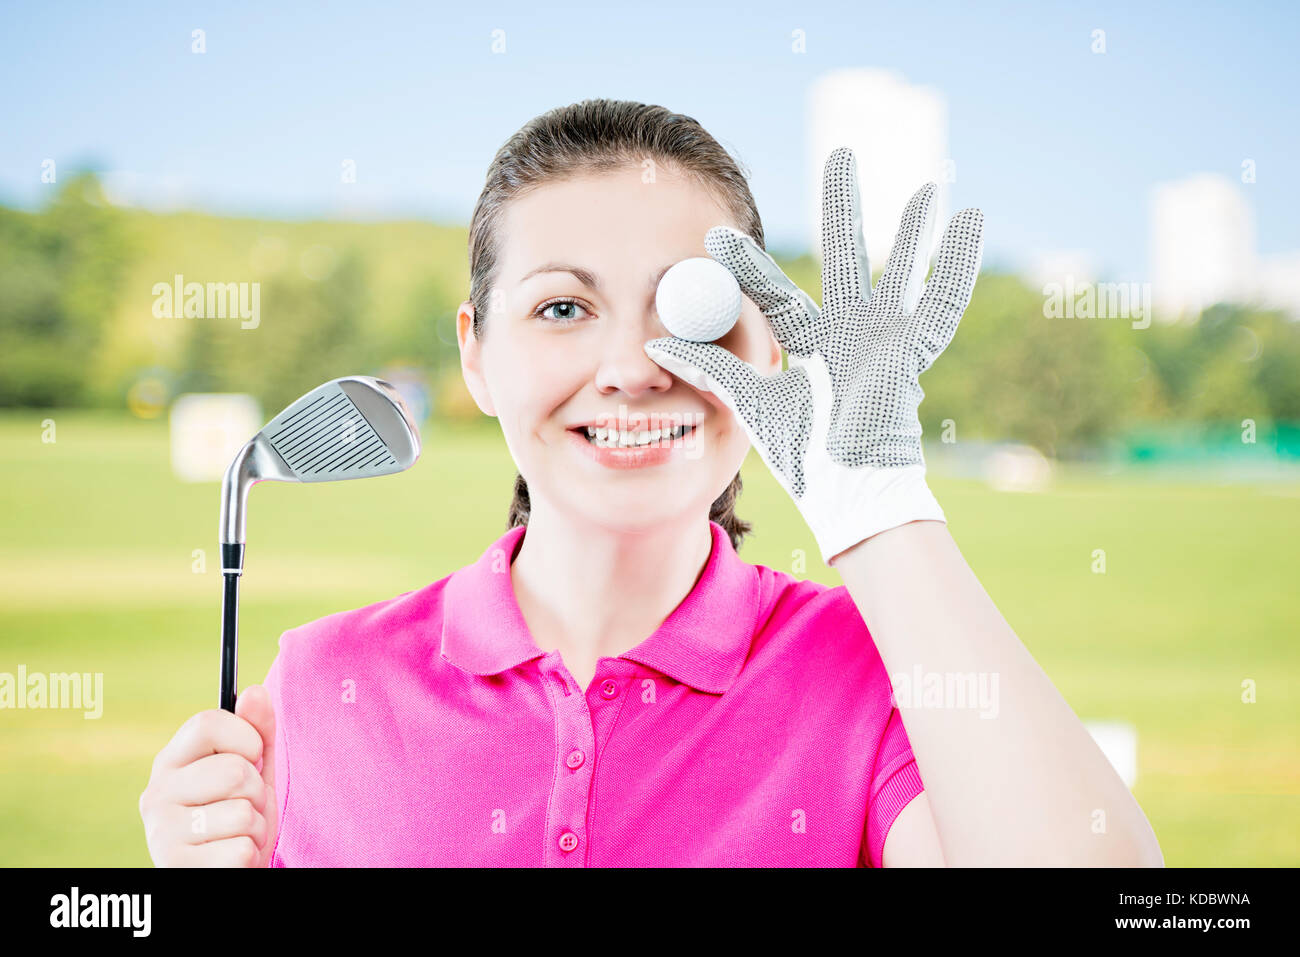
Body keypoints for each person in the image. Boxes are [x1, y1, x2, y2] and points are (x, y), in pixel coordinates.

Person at [139, 98, 1163, 867]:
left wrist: (885, 511)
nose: (632, 366)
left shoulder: (880, 673)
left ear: (769, 347)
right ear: (476, 355)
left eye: (692, 309)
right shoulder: (322, 687)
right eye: (561, 309)